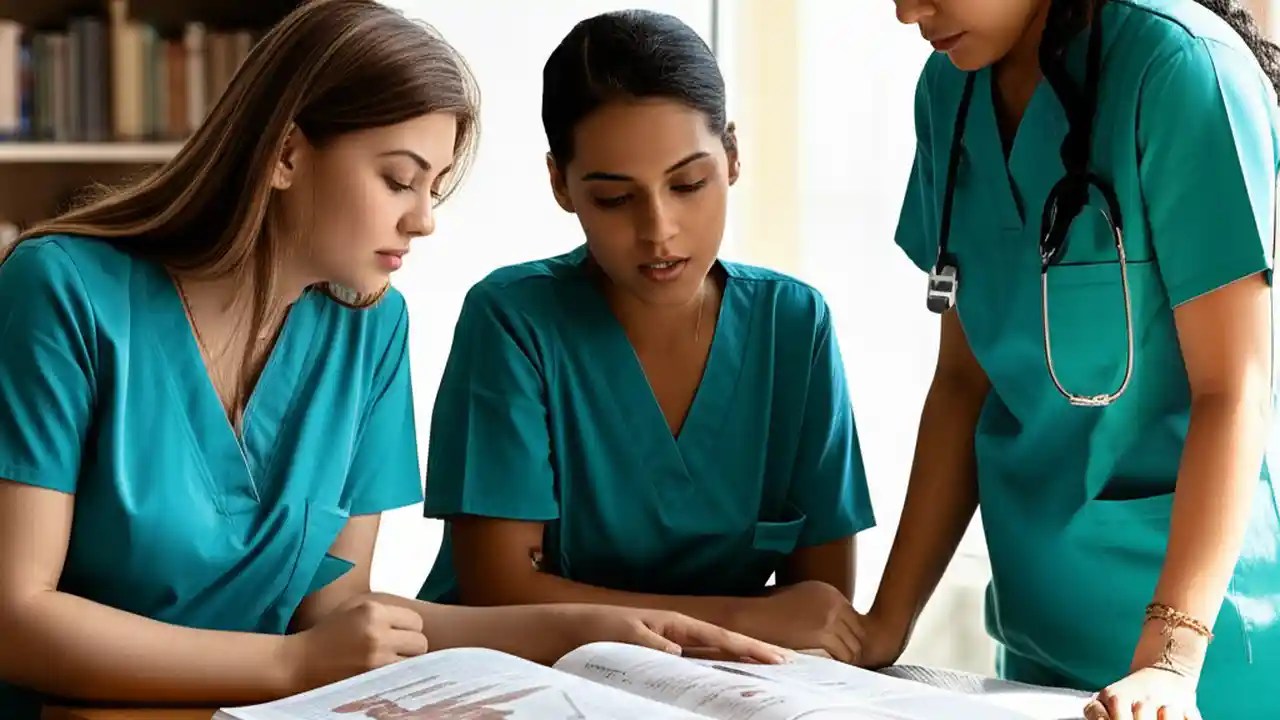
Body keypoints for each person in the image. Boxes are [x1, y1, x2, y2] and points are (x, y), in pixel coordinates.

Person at [0, 2, 787, 718]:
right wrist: (288, 664)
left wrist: (592, 628)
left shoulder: (370, 327)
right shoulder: (63, 290)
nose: (423, 220)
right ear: (283, 154)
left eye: (435, 188)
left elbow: (338, 614)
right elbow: (16, 617)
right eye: (399, 179)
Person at [416, 9, 876, 663]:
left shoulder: (794, 326)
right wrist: (747, 617)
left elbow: (818, 608)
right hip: (511, 678)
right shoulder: (513, 322)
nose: (659, 230)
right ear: (560, 184)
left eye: (688, 184)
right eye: (614, 198)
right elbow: (500, 590)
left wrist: (772, 623)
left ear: (734, 157)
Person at [865, 1, 1280, 718]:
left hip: (1205, 656)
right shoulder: (949, 92)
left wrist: (1169, 663)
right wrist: (884, 624)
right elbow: (964, 384)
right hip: (1035, 643)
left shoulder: (1180, 68)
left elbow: (1234, 386)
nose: (909, 12)